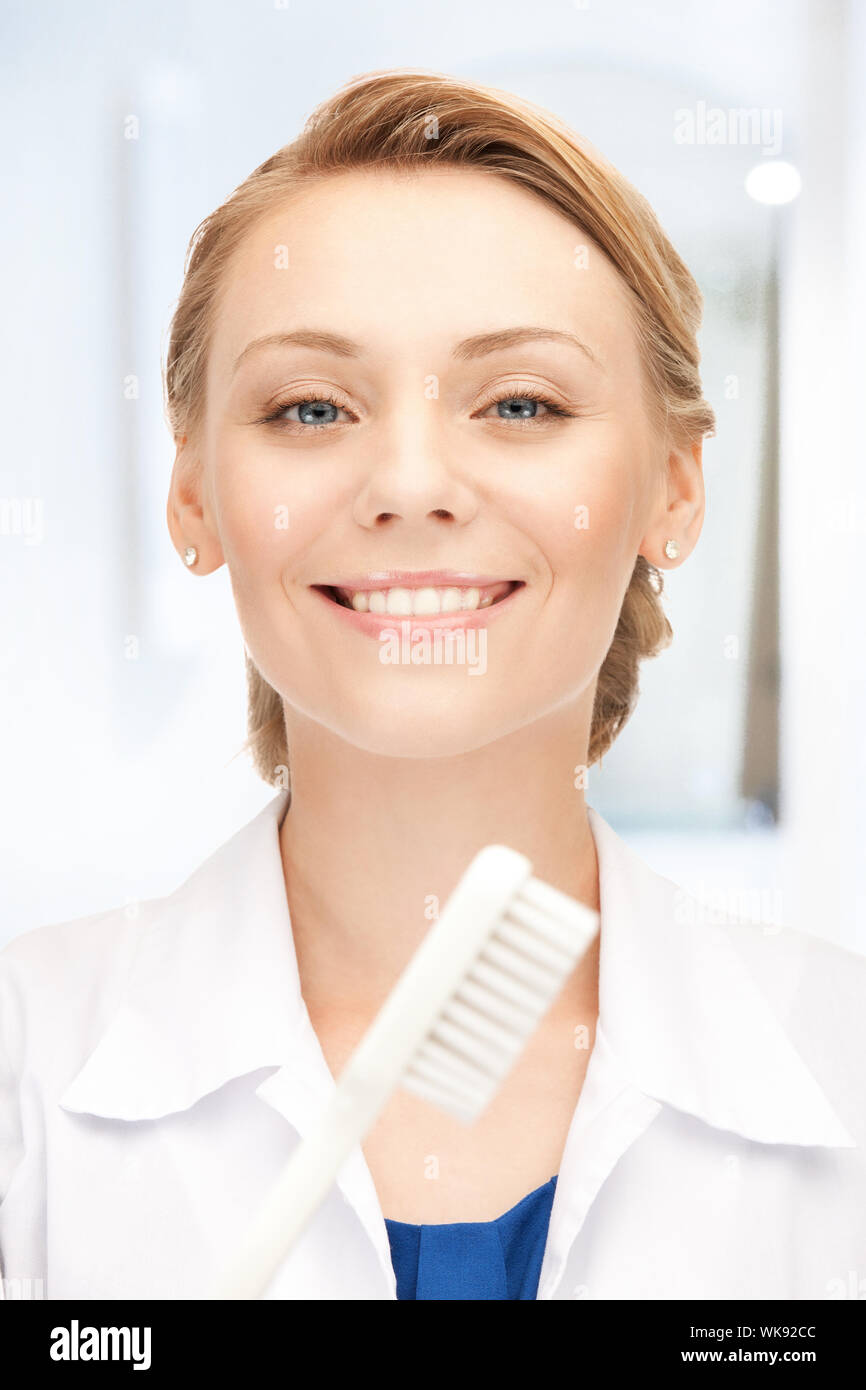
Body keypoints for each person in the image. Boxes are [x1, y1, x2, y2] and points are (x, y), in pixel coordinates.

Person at [1, 68, 864, 1302]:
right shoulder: (24, 1076)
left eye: (519, 401)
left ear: (674, 488)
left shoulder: (847, 1067)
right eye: (309, 407)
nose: (409, 482)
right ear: (193, 494)